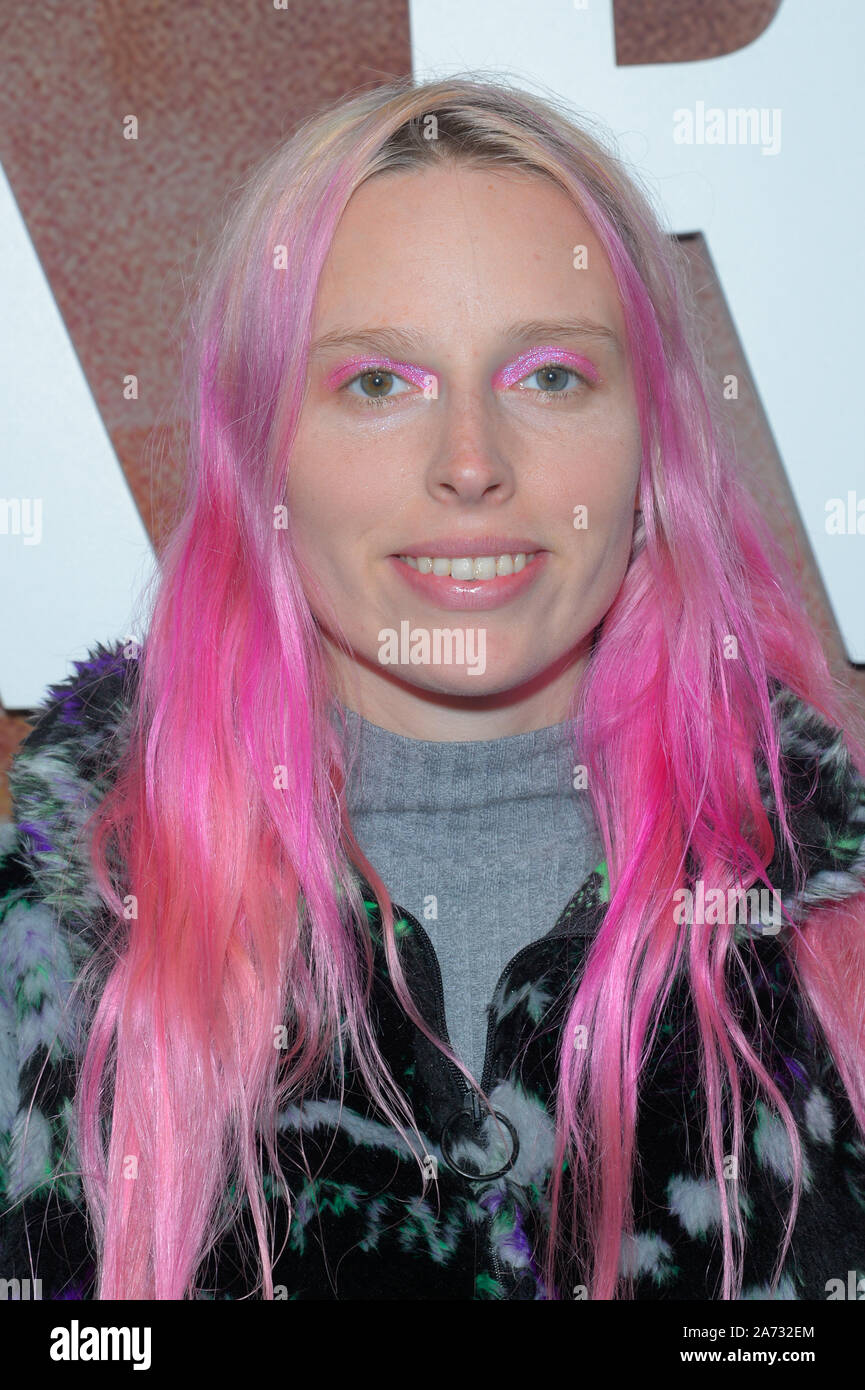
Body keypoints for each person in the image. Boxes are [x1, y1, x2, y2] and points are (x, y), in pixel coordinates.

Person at [2, 73, 865, 1303]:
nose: (470, 463)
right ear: (262, 453)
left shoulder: (835, 933)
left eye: (550, 376)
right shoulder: (40, 952)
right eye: (376, 383)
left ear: (652, 450)